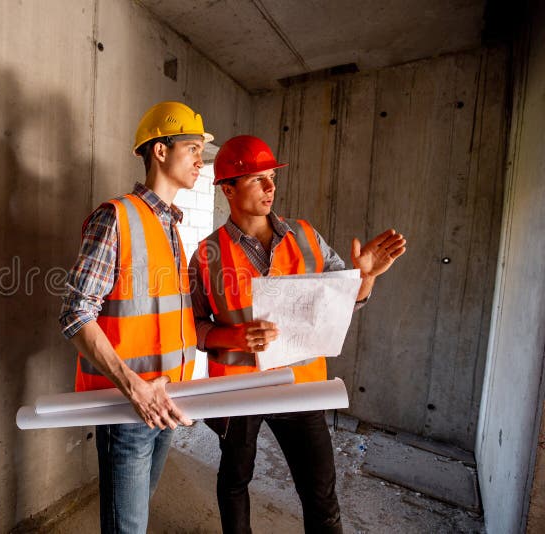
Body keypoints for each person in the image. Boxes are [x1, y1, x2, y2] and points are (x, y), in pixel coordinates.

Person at [190, 135, 406, 534]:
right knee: (235, 481)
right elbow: (195, 327)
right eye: (258, 179)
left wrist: (366, 277)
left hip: (300, 385)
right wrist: (234, 339)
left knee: (320, 494)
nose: (271, 188)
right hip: (239, 392)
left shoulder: (306, 236)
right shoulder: (206, 255)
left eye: (272, 177)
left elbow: (345, 302)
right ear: (228, 188)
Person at [59, 101, 213, 533]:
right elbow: (75, 312)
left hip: (168, 400)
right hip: (130, 406)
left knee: (134, 516)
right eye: (192, 147)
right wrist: (135, 389)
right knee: (127, 527)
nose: (201, 160)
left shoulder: (171, 227)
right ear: (160, 151)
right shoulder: (117, 216)